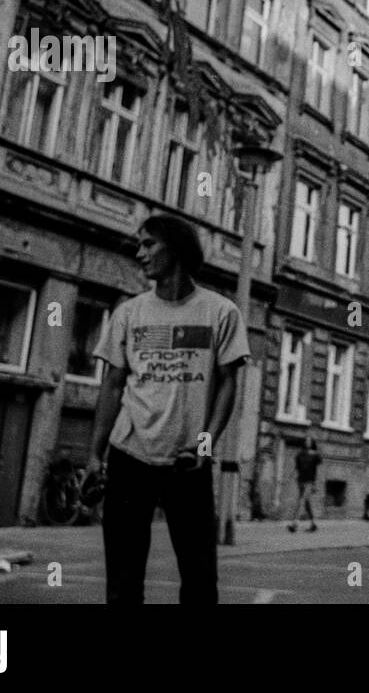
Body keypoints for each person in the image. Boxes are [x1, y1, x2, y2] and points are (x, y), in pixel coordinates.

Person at [88, 215, 250, 604]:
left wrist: (205, 446)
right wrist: (95, 454)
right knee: (122, 585)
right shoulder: (129, 313)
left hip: (188, 464)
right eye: (139, 245)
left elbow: (229, 384)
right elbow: (111, 386)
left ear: (176, 248)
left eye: (149, 244)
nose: (139, 253)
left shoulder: (220, 312)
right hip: (129, 457)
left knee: (199, 583)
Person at [286, 437, 322, 532]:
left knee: (302, 500)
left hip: (310, 481)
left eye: (310, 441)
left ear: (312, 443)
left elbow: (319, 470)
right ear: (304, 443)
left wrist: (316, 484)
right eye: (306, 441)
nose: (308, 443)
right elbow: (296, 468)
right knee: (306, 503)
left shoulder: (316, 455)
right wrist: (290, 477)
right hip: (301, 480)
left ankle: (295, 524)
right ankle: (313, 524)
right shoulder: (299, 455)